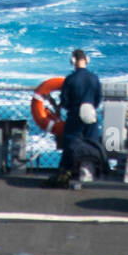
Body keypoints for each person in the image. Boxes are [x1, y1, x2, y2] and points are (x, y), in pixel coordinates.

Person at [48, 49, 103, 187]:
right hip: (91, 114)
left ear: (73, 61)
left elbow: (65, 101)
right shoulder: (94, 78)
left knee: (71, 144)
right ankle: (90, 173)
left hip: (75, 116)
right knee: (92, 143)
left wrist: (68, 108)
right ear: (87, 60)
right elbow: (98, 99)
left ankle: (68, 173)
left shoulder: (70, 79)